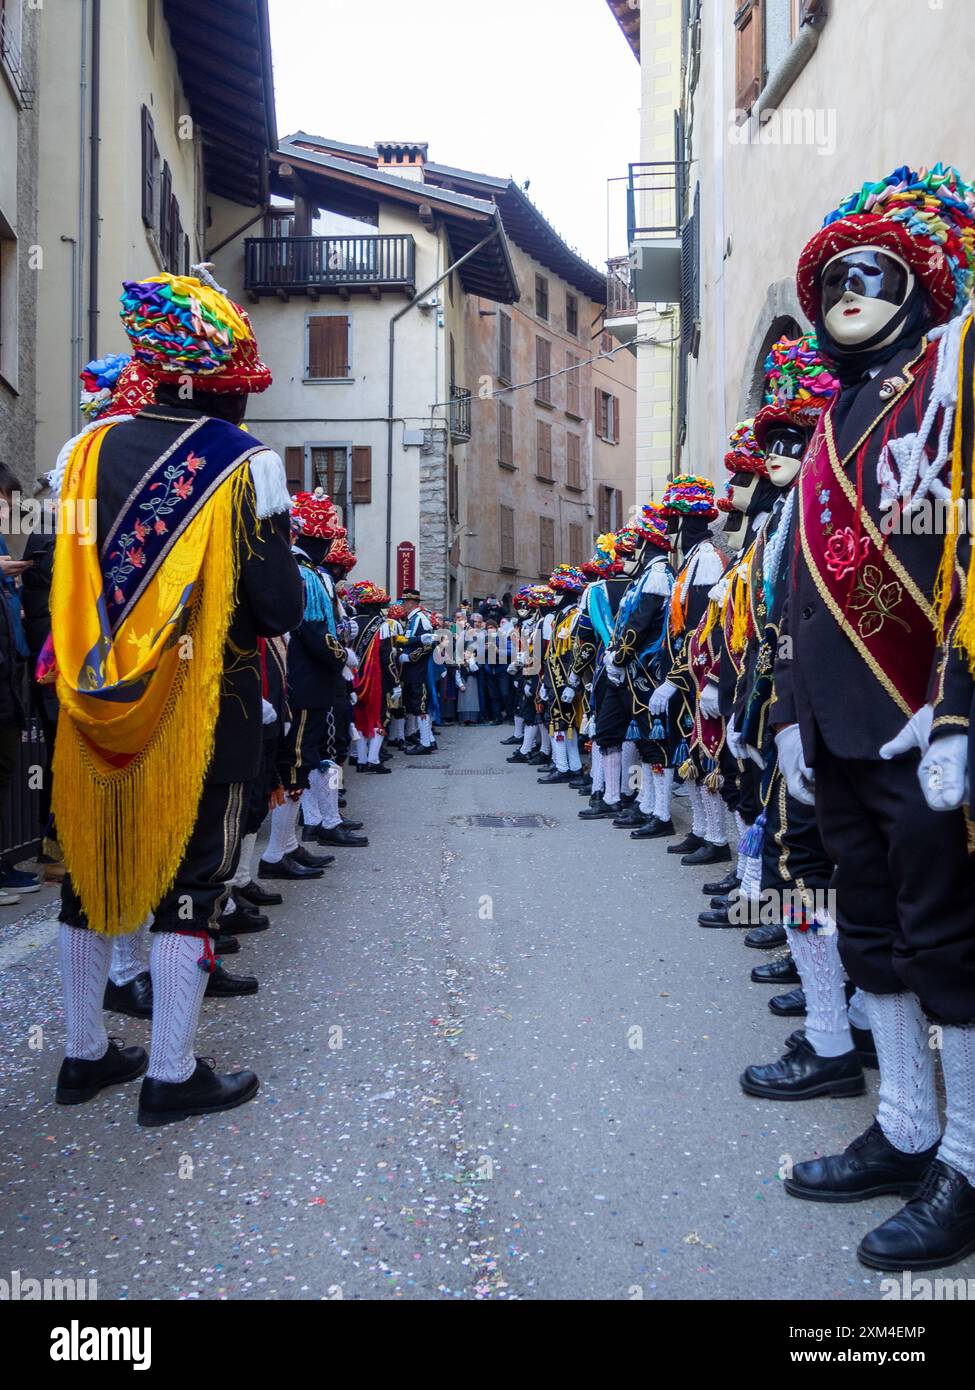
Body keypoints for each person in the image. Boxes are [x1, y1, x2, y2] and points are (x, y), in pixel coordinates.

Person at [772, 164, 975, 1271]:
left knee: (951, 946)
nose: (850, 288)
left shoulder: (954, 375)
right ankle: (906, 1126)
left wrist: (960, 705)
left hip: (920, 716)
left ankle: (972, 1163)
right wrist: (795, 717)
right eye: (835, 276)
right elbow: (804, 589)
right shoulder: (828, 421)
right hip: (840, 728)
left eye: (872, 271)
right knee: (877, 938)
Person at [50, 267, 304, 1126]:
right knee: (192, 883)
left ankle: (83, 1058)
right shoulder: (242, 467)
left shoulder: (82, 455)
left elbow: (66, 580)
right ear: (212, 385)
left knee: (86, 873)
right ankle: (170, 1072)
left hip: (92, 701)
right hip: (204, 710)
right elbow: (277, 607)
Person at [398, 588, 437, 752]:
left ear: (411, 602)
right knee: (415, 705)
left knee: (420, 706)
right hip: (412, 671)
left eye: (404, 602)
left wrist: (410, 657)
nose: (402, 605)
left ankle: (426, 744)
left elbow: (429, 644)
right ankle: (429, 739)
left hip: (417, 670)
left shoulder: (420, 619)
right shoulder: (412, 618)